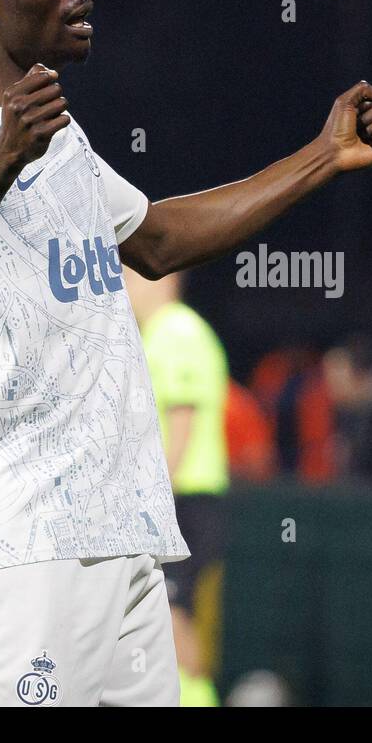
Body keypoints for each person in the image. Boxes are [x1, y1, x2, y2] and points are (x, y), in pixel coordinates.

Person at [0, 0, 372, 706]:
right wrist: (7, 149)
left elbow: (156, 237)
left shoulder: (67, 142)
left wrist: (322, 157)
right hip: (15, 542)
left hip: (121, 537)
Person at [123, 266, 228, 708]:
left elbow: (180, 422)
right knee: (166, 611)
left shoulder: (176, 332)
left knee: (173, 612)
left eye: (128, 277)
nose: (121, 288)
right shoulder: (158, 335)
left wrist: (152, 504)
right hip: (179, 500)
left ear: (162, 279)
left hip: (184, 499)